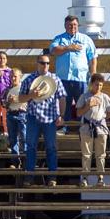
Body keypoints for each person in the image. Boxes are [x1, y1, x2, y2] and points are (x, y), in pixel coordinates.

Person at [19, 54, 66, 187]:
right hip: (33, 117)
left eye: (47, 63)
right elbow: (20, 98)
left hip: (50, 118)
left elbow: (62, 98)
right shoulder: (29, 79)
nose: (45, 65)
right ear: (37, 63)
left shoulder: (55, 78)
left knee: (51, 148)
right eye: (42, 63)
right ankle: (29, 176)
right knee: (30, 147)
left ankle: (52, 177)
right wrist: (31, 95)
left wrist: (61, 115)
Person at [50, 14, 97, 125]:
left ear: (78, 25)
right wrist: (68, 48)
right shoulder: (59, 38)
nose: (73, 27)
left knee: (83, 104)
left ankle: (84, 128)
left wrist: (93, 74)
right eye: (70, 25)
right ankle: (64, 128)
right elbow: (53, 50)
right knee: (64, 106)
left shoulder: (86, 39)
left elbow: (93, 58)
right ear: (65, 25)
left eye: (75, 24)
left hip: (80, 78)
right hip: (63, 79)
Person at [75, 73, 110, 188]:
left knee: (101, 155)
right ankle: (85, 178)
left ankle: (100, 178)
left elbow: (109, 114)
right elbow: (78, 113)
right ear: (91, 84)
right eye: (96, 85)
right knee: (86, 155)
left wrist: (101, 117)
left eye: (101, 85)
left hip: (100, 128)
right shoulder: (84, 96)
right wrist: (88, 106)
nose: (98, 87)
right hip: (86, 128)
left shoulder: (105, 97)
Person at [2, 69, 27, 167]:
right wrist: (8, 101)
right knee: (13, 139)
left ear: (20, 77)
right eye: (11, 76)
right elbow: (3, 104)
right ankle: (15, 161)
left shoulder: (24, 88)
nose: (13, 78)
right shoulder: (7, 90)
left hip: (22, 114)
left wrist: (17, 99)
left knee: (24, 138)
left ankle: (25, 161)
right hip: (11, 114)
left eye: (15, 76)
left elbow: (29, 101)